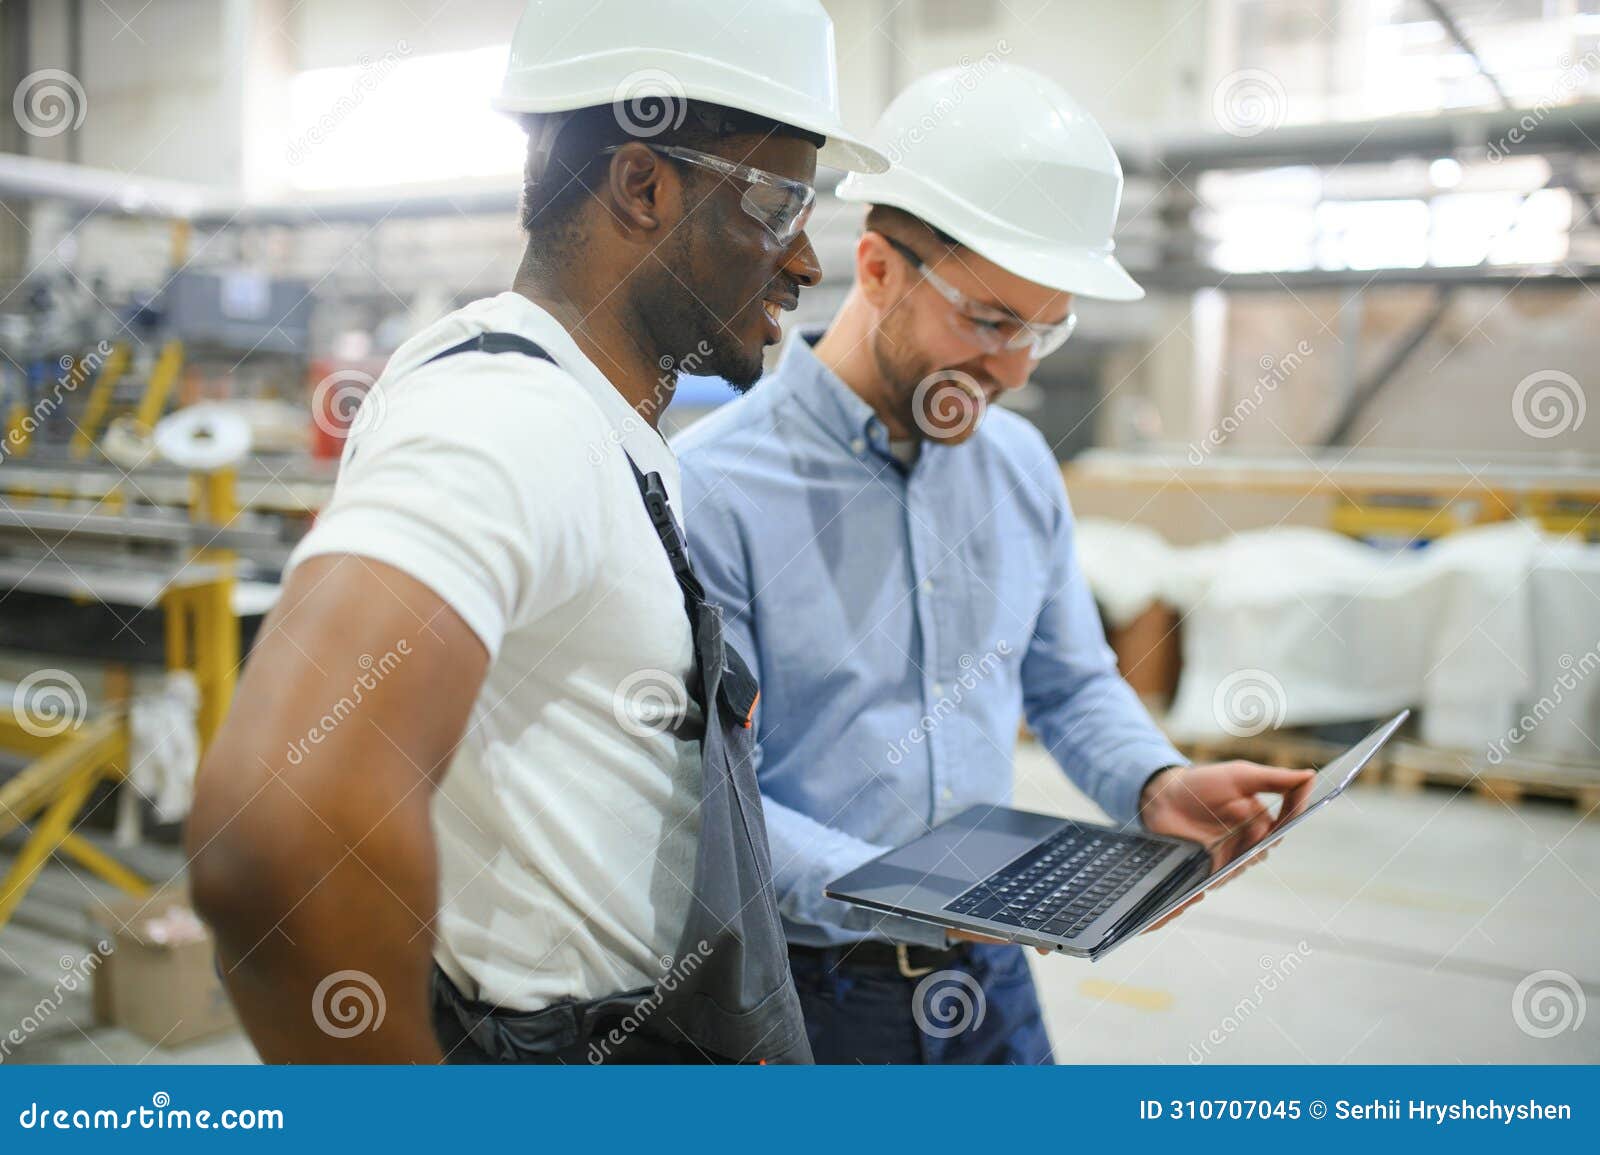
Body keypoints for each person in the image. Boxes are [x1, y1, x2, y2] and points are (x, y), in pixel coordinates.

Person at [186, 0, 885, 1065]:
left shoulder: (599, 417)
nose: (804, 261)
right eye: (779, 205)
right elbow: (279, 833)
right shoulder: (508, 416)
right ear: (643, 186)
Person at [674, 63, 1312, 1065]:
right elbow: (717, 805)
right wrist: (908, 890)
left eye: (1043, 329)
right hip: (810, 994)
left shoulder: (1014, 467)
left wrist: (1149, 783)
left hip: (990, 979)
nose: (1016, 369)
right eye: (989, 321)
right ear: (878, 269)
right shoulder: (716, 490)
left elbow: (1068, 680)